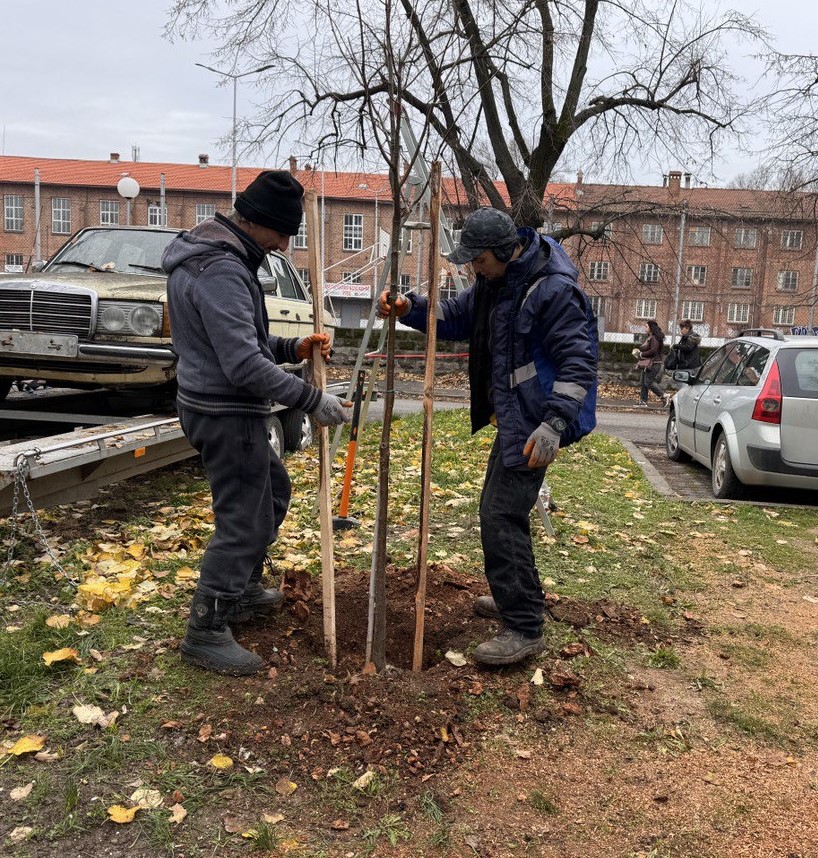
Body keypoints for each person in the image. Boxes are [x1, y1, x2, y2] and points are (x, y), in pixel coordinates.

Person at [378, 207, 598, 667]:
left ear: (503, 251)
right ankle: (515, 596)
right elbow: (456, 316)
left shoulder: (553, 290)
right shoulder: (497, 282)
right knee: (499, 511)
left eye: (478, 260)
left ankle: (524, 625)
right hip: (517, 419)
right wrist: (410, 308)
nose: (473, 268)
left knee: (501, 514)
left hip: (537, 423)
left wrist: (554, 424)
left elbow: (579, 363)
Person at [162, 170, 352, 676]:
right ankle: (206, 629)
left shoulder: (219, 257)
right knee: (244, 522)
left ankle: (240, 589)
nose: (284, 245)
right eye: (283, 233)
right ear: (258, 221)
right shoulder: (221, 270)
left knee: (272, 494)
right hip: (225, 411)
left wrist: (292, 347)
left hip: (217, 404)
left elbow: (242, 339)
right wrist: (312, 400)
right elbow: (243, 365)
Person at [636, 319, 670, 407]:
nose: (645, 328)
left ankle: (664, 395)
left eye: (646, 326)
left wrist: (641, 354)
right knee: (644, 382)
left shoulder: (654, 337)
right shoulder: (651, 337)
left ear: (651, 327)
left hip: (653, 363)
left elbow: (653, 351)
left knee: (648, 382)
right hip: (649, 363)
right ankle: (643, 401)